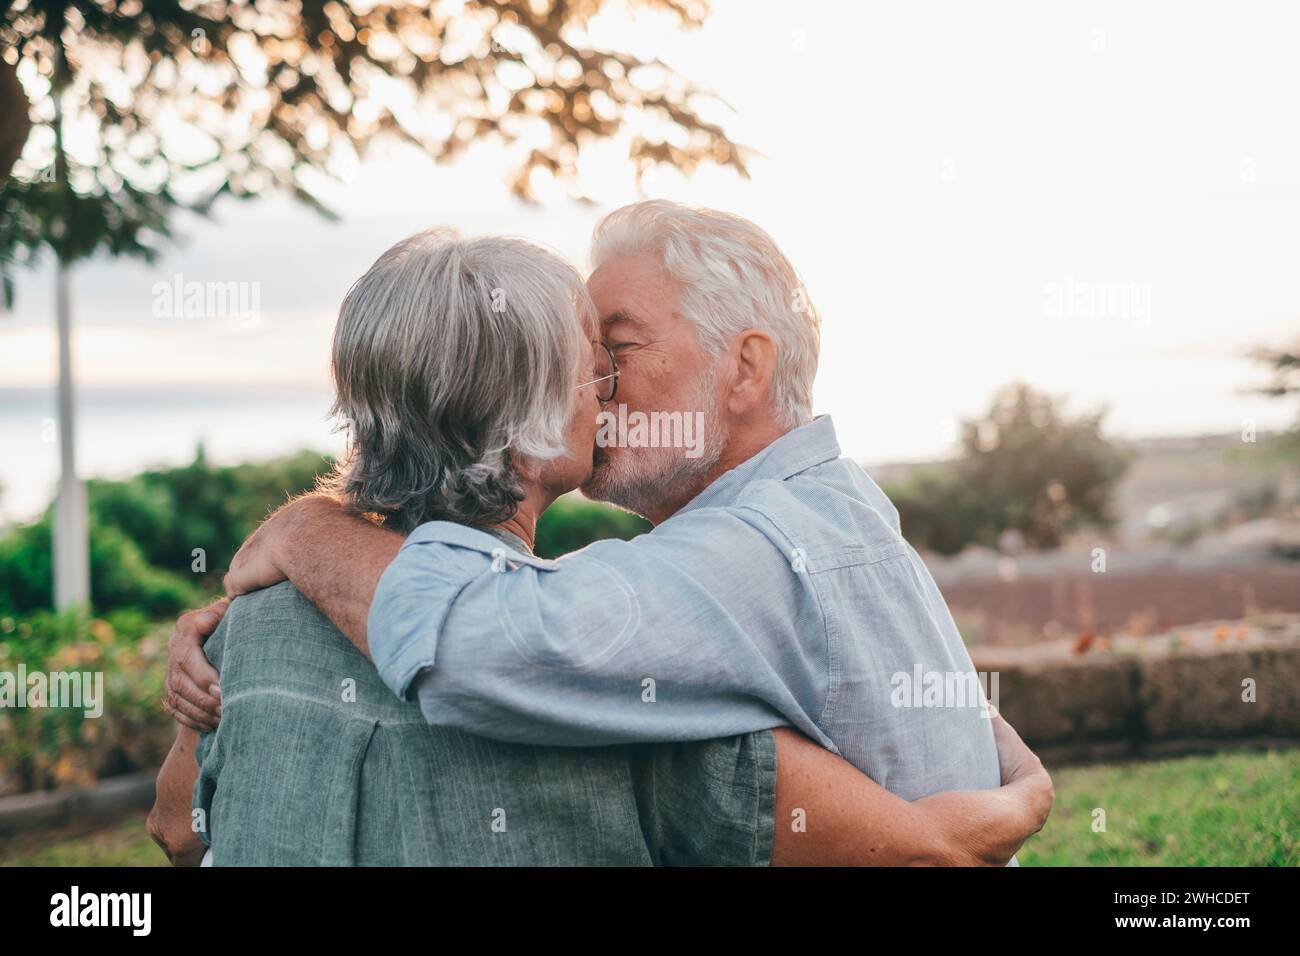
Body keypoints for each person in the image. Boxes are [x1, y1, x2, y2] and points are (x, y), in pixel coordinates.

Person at [158, 227, 1052, 865]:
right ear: (526, 414)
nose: (608, 389)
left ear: (745, 365)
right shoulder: (618, 687)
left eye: (618, 351)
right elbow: (921, 849)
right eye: (593, 361)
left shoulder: (258, 625)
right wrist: (1016, 786)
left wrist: (305, 530)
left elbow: (177, 826)